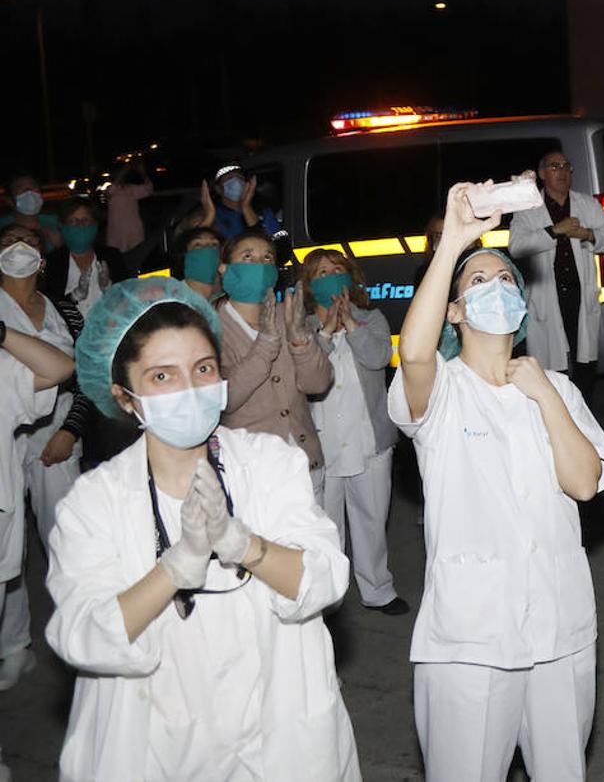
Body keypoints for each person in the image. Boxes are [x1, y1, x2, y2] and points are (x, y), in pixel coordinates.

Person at [48, 276, 360, 780]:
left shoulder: (271, 463)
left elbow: (324, 579)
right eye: (162, 377)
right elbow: (82, 635)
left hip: (278, 737)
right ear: (125, 396)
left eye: (203, 368)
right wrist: (174, 569)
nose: (190, 389)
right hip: (157, 744)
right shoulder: (94, 502)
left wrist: (244, 544)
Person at [389, 184, 604, 781]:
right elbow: (412, 353)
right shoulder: (441, 390)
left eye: (506, 279)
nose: (496, 287)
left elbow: (586, 483)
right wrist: (457, 244)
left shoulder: (558, 389)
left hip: (560, 627)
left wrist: (542, 393)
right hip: (471, 637)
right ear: (454, 312)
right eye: (477, 283)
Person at [0, 221, 102, 690]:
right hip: (6, 433)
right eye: (7, 243)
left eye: (30, 243)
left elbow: (85, 370)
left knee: (63, 537)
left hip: (54, 435)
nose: (18, 250)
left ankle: (76, 634)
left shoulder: (63, 308)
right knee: (9, 546)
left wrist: (69, 429)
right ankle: (14, 645)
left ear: (43, 258)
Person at [300, 249, 408, 615]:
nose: (329, 277)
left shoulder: (371, 319)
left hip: (368, 441)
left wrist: (349, 323)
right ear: (309, 285)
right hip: (320, 443)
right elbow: (303, 376)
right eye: (320, 273)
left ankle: (378, 588)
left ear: (350, 277)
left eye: (336, 270)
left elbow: (378, 358)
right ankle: (329, 598)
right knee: (325, 526)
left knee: (372, 520)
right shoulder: (300, 329)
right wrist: (327, 331)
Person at [214, 230, 333, 506]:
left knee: (318, 548)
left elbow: (317, 384)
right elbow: (225, 399)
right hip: (252, 473)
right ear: (224, 269)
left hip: (305, 462)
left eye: (267, 258)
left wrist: (299, 340)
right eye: (248, 257)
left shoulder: (287, 314)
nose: (260, 264)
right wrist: (266, 343)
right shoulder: (209, 327)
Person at [509, 149, 604, 400]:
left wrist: (589, 235)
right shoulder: (528, 209)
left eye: (565, 166)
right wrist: (554, 231)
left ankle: (583, 422)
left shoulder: (586, 204)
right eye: (554, 166)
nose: (561, 172)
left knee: (585, 367)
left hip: (579, 295)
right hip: (547, 299)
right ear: (541, 174)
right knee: (552, 371)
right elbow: (517, 246)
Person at [42, 198, 126, 319]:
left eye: (85, 220)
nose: (80, 225)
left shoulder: (112, 256)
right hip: (69, 334)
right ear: (61, 225)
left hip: (110, 329)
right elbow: (48, 309)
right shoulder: (52, 262)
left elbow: (129, 297)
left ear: (95, 224)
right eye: (72, 221)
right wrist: (74, 296)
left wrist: (109, 287)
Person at [208, 166, 282, 239]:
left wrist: (246, 208)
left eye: (240, 178)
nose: (236, 182)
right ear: (218, 189)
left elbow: (279, 242)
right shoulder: (212, 215)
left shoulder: (264, 212)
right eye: (229, 178)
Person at [104, 158, 155, 256]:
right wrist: (125, 169)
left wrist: (142, 173)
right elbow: (111, 191)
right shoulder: (110, 189)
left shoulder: (131, 189)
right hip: (117, 236)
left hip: (135, 235)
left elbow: (148, 189)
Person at [0, 174, 63, 250]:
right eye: (20, 187)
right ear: (9, 200)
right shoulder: (2, 227)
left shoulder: (57, 222)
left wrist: (61, 247)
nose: (28, 191)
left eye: (33, 186)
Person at [170, 226, 224, 301]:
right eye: (198, 245)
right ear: (185, 254)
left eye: (214, 244)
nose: (207, 248)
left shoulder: (230, 296)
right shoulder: (174, 296)